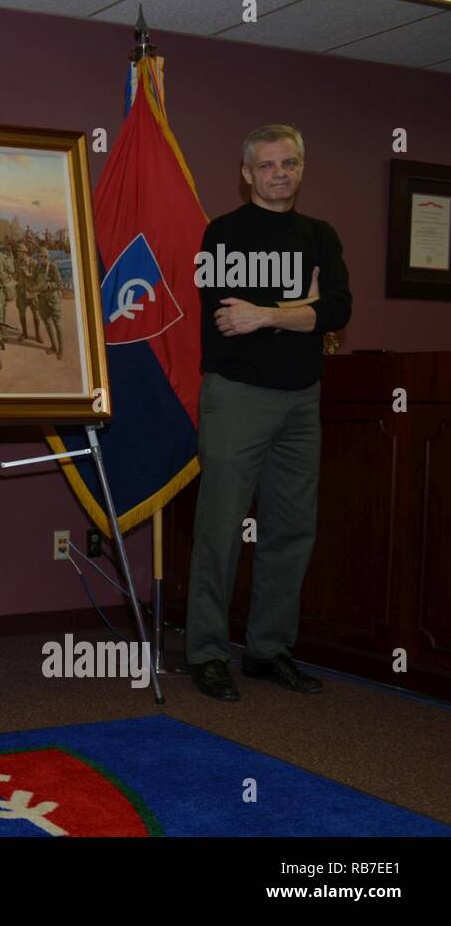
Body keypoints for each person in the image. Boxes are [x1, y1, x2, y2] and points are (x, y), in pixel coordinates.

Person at [186, 124, 351, 702]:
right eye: (268, 165)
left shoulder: (320, 235)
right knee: (220, 528)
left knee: (291, 528)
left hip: (303, 397)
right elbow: (230, 313)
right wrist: (299, 306)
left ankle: (268, 649)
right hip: (237, 396)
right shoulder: (224, 233)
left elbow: (337, 308)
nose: (280, 173)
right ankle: (206, 653)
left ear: (300, 168)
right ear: (247, 174)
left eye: (290, 163)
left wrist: (272, 313)